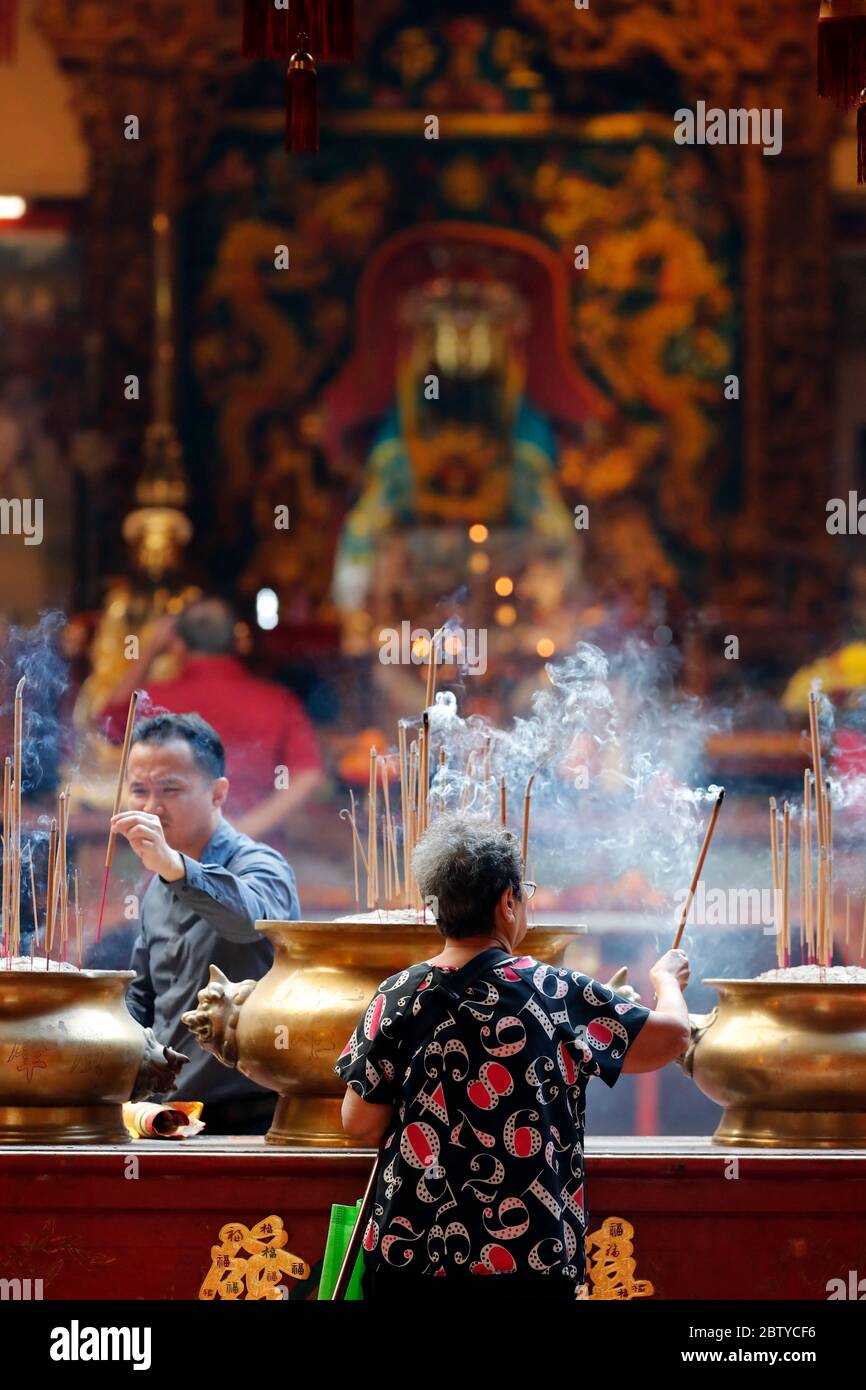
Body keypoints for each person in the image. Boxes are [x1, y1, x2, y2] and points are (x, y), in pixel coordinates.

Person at [334, 814, 690, 1301]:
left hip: (410, 1257)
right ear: (507, 902)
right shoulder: (552, 990)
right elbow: (672, 1038)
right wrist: (666, 981)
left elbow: (358, 1122)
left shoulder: (396, 994)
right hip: (529, 1259)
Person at [118, 712, 300, 1136]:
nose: (150, 807)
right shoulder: (157, 886)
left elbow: (250, 924)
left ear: (218, 793)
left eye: (170, 790)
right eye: (139, 790)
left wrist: (176, 868)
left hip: (250, 1119)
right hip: (164, 1119)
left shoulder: (260, 865)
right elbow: (143, 999)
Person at [100, 597, 324, 847]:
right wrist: (248, 827)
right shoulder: (277, 701)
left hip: (171, 860)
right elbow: (308, 775)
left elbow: (108, 725)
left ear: (178, 644)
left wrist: (150, 651)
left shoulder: (154, 701)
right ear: (239, 642)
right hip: (253, 861)